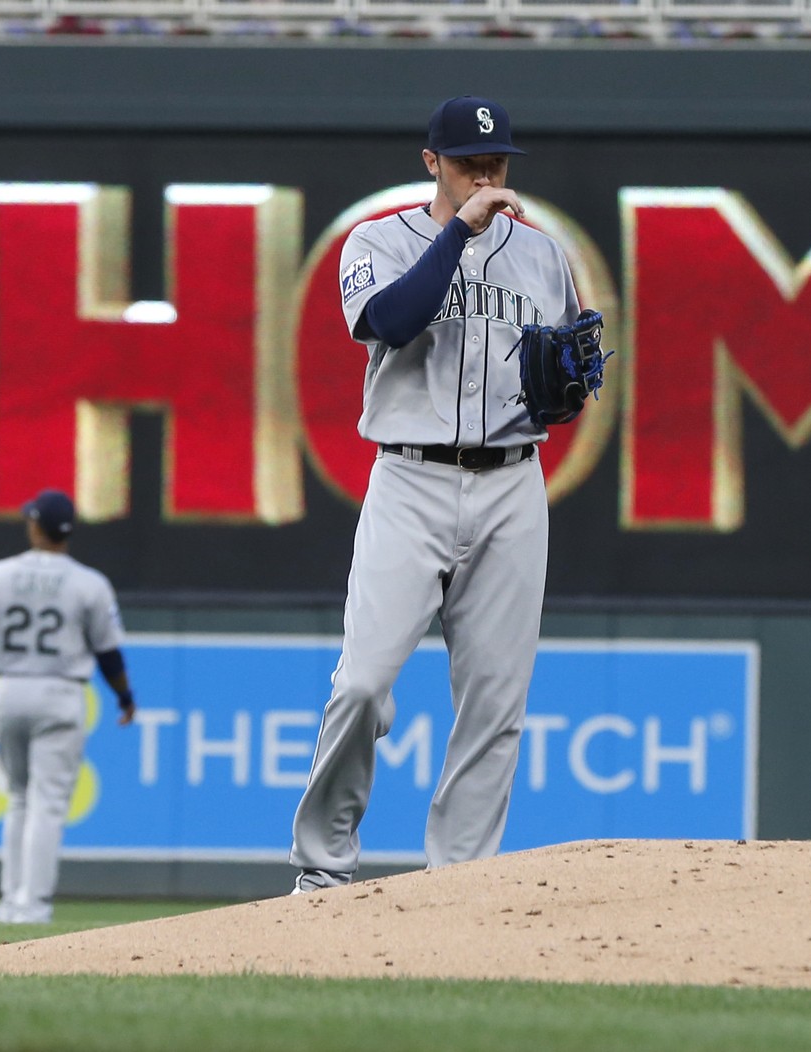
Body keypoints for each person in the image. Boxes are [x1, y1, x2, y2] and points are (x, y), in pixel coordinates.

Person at [289, 95, 581, 891]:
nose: (486, 175)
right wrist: (460, 232)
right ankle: (323, 869)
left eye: (496, 162)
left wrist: (564, 388)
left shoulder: (544, 256)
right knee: (362, 684)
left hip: (512, 482)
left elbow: (563, 377)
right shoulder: (377, 241)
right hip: (410, 478)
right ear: (432, 164)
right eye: (468, 163)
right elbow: (390, 320)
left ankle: (460, 884)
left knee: (495, 703)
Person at [0, 488, 136, 923]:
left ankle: (9, 902)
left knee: (18, 797)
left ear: (36, 526)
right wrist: (125, 697)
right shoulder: (89, 582)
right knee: (48, 802)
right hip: (61, 693)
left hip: (9, 689)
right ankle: (32, 905)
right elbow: (109, 654)